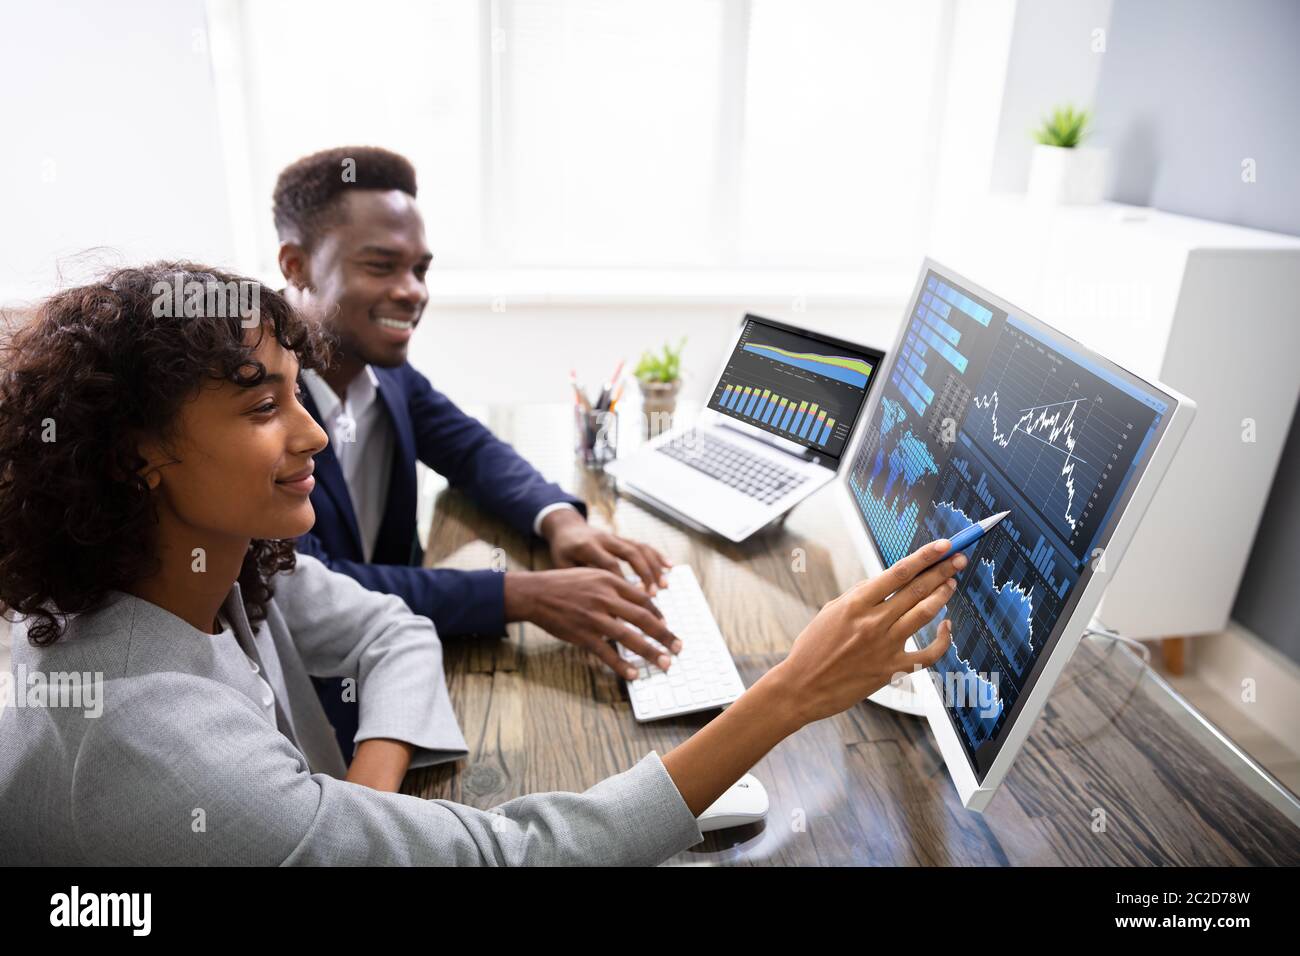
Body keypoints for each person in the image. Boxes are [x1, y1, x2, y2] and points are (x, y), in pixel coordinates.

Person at [0, 264, 961, 865]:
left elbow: (391, 625)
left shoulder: (223, 564)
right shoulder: (149, 742)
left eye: (300, 396)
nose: (312, 435)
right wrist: (792, 691)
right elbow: (508, 857)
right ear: (137, 456)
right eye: (262, 410)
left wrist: (349, 814)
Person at [272, 146, 685, 758]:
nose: (412, 291)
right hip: (322, 720)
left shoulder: (384, 373)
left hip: (405, 663)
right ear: (297, 264)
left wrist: (561, 522)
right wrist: (521, 596)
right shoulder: (257, 409)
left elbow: (471, 449)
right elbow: (312, 587)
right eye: (382, 266)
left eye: (421, 269)